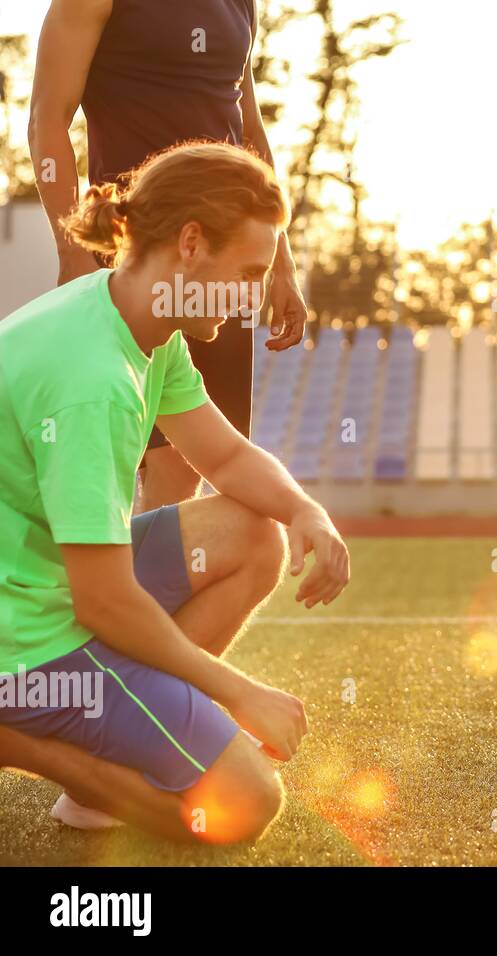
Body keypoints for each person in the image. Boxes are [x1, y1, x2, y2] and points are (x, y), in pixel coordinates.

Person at [0, 141, 349, 843]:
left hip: (47, 590)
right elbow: (103, 600)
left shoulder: (137, 320)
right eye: (250, 273)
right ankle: (28, 747)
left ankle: (127, 725)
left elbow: (223, 455)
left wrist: (306, 509)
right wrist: (237, 691)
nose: (256, 296)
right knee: (244, 803)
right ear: (191, 244)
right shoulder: (91, 381)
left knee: (256, 535)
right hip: (24, 644)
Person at [27, 0, 308, 511]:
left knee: (202, 473)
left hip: (224, 260)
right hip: (138, 253)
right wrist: (72, 252)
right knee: (138, 457)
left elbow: (248, 127)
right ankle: (102, 585)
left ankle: (141, 586)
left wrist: (279, 258)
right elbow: (48, 117)